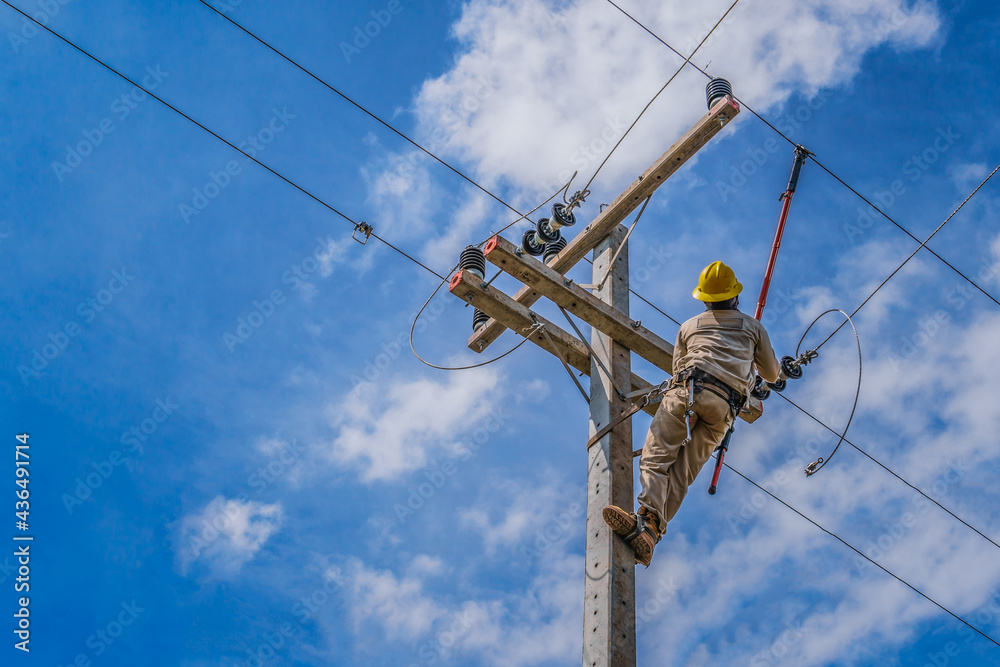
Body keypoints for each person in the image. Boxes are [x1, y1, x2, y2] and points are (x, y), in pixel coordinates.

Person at [603, 261, 783, 566]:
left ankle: (648, 521)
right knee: (683, 472)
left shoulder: (689, 327)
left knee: (657, 459)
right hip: (725, 409)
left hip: (689, 390)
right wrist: (755, 369)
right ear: (735, 296)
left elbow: (678, 368)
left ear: (703, 299)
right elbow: (772, 374)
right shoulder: (753, 327)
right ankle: (650, 534)